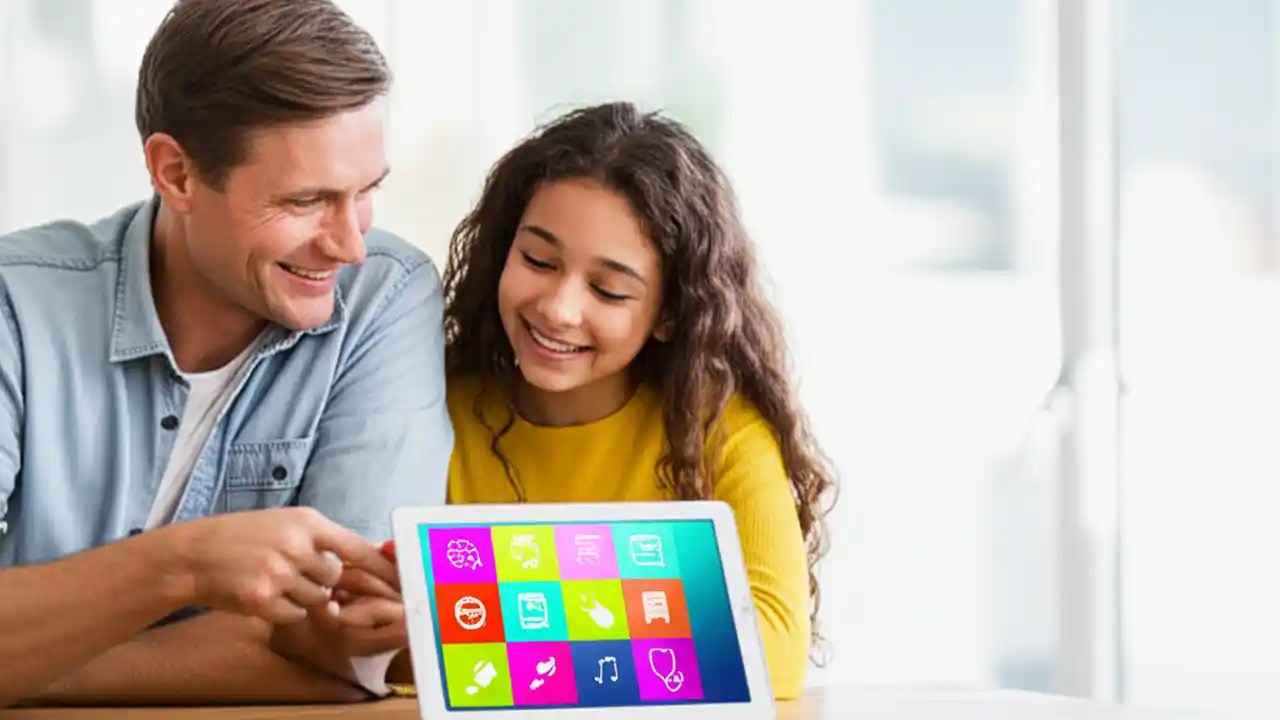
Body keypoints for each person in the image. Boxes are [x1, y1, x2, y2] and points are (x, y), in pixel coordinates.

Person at [0, 0, 451, 706]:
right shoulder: (16, 311)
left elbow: (349, 652)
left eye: (366, 193)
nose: (351, 244)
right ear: (176, 173)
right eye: (307, 200)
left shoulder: (386, 299)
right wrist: (180, 568)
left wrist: (25, 667)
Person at [442, 102, 836, 698]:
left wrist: (490, 618)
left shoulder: (719, 433)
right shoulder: (433, 410)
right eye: (537, 261)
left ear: (671, 315)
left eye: (608, 290)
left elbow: (775, 650)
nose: (558, 309)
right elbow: (390, 652)